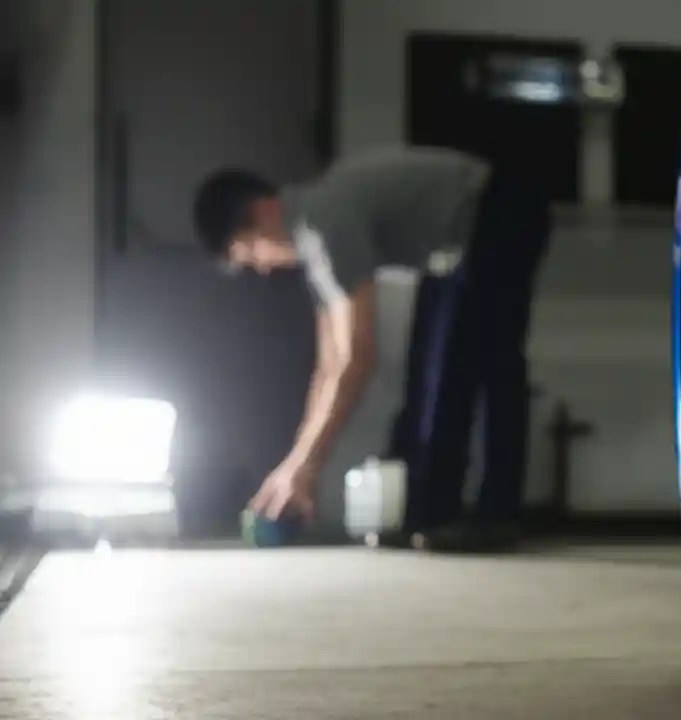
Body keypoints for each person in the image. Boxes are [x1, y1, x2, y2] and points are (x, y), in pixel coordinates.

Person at [192, 148, 549, 551]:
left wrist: (305, 467)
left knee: (476, 363)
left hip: (498, 209)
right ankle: (426, 513)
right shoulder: (314, 244)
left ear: (263, 211)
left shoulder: (321, 226)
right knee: (427, 375)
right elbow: (330, 366)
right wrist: (294, 465)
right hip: (453, 247)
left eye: (250, 250)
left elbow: (358, 358)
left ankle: (495, 515)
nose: (261, 266)